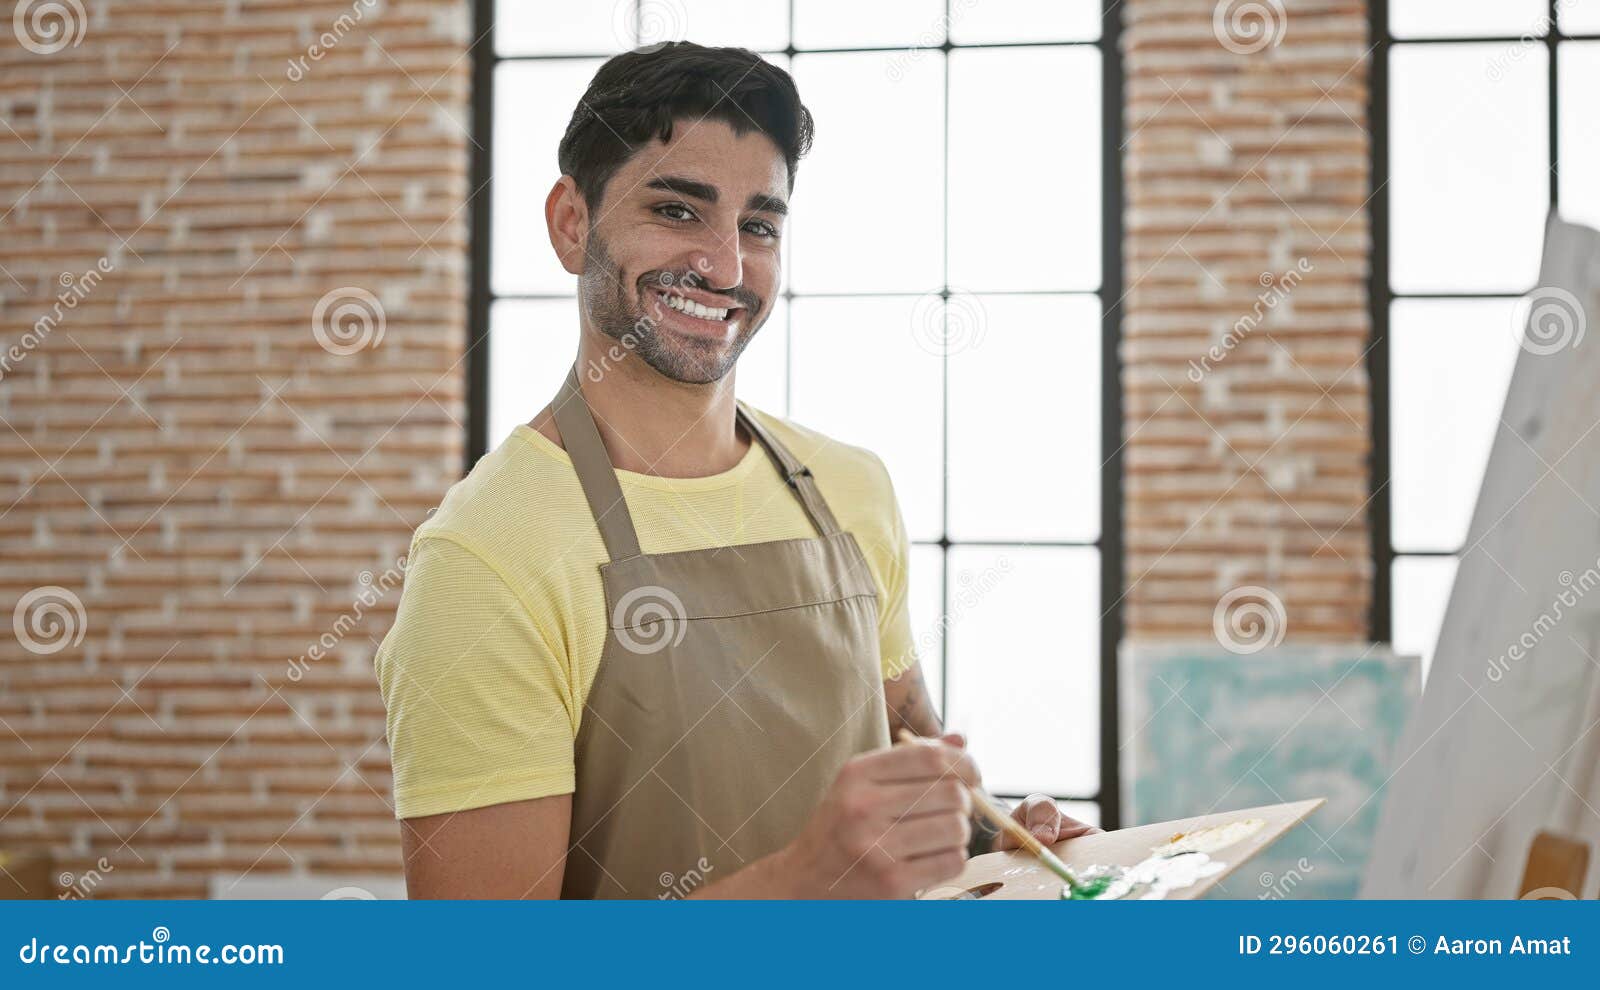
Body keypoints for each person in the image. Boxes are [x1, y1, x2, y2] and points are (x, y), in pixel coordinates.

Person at [375, 40, 1097, 899]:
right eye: (678, 211)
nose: (724, 266)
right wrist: (807, 878)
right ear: (572, 223)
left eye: (758, 225)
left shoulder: (852, 489)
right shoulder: (487, 555)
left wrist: (1002, 833)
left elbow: (921, 778)